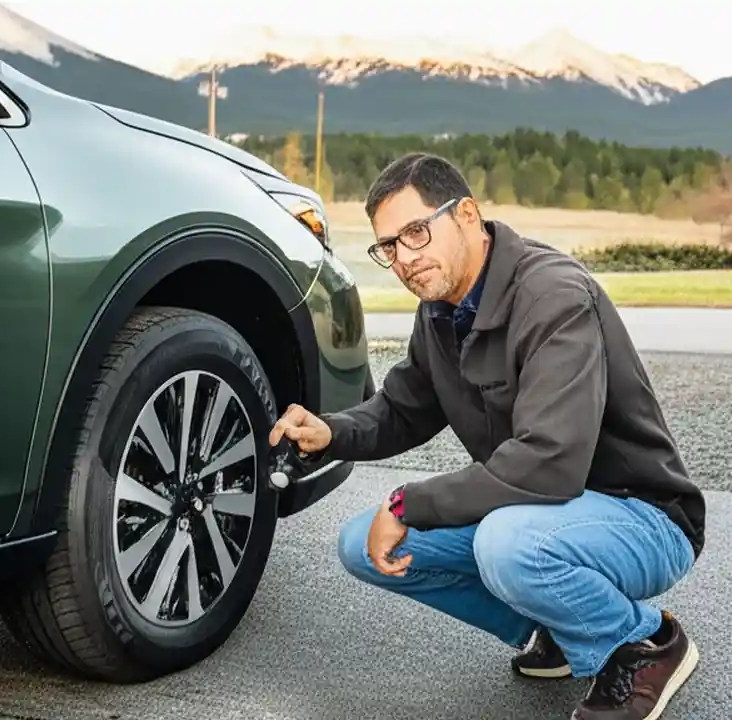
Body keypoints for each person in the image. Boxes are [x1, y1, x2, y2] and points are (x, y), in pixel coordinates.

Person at [270, 153, 706, 720]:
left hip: (644, 518)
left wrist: (409, 501)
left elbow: (550, 461)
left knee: (506, 544)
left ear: (468, 215)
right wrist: (330, 432)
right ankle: (560, 626)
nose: (404, 259)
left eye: (416, 232)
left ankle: (642, 644)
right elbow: (403, 409)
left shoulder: (553, 298)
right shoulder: (441, 310)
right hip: (539, 512)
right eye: (389, 247)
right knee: (364, 545)